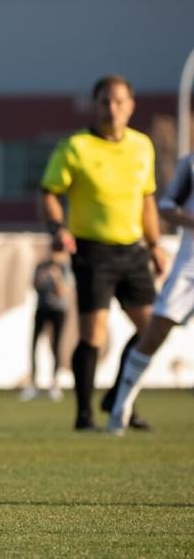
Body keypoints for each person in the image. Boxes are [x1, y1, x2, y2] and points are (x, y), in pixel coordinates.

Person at [39, 74, 167, 431]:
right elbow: (50, 191)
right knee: (93, 333)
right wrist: (57, 227)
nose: (112, 108)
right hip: (92, 250)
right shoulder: (76, 146)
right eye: (105, 102)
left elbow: (147, 199)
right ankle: (83, 415)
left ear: (131, 105)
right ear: (95, 107)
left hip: (133, 250)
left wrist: (155, 245)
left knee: (151, 330)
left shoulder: (142, 146)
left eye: (119, 101)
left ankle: (119, 399)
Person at [105, 151, 191, 435]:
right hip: (191, 265)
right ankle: (120, 409)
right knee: (153, 332)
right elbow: (166, 206)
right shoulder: (191, 164)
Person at [19, 248, 72, 402]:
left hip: (59, 310)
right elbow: (34, 286)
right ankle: (33, 384)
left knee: (56, 346)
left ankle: (54, 384)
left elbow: (63, 292)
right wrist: (43, 278)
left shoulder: (64, 267)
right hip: (42, 308)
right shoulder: (41, 266)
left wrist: (56, 278)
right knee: (34, 345)